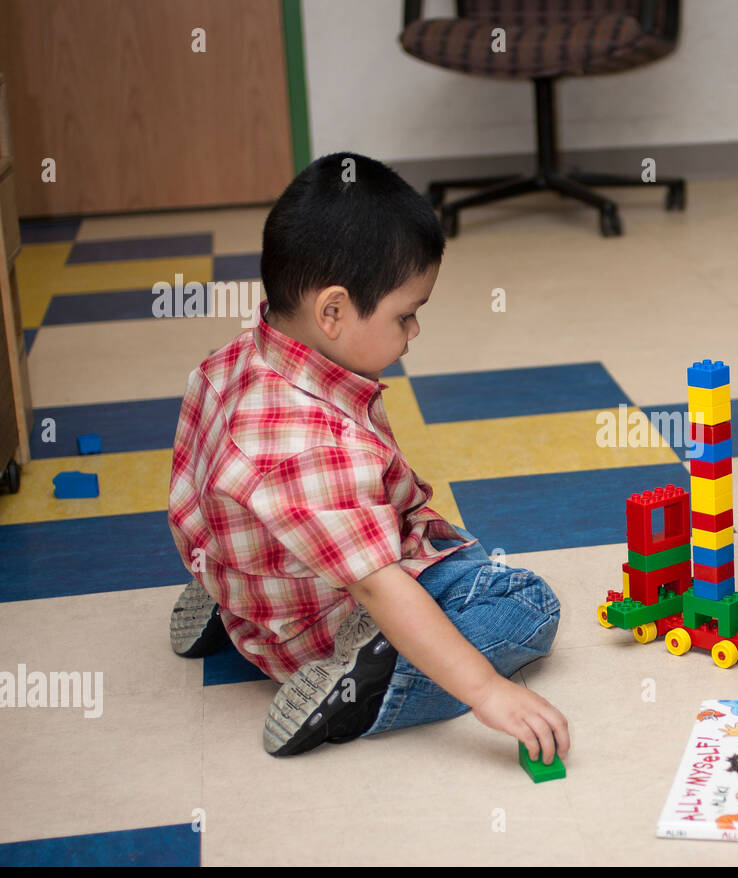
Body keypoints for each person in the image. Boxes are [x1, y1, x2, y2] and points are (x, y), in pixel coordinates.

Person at [167, 152, 569, 762]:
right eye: (406, 315)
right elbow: (379, 587)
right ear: (332, 312)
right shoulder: (312, 445)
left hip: (256, 570)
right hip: (323, 624)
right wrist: (486, 690)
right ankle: (360, 691)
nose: (414, 333)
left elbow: (194, 480)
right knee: (527, 605)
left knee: (443, 540)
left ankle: (232, 597)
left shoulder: (238, 360)